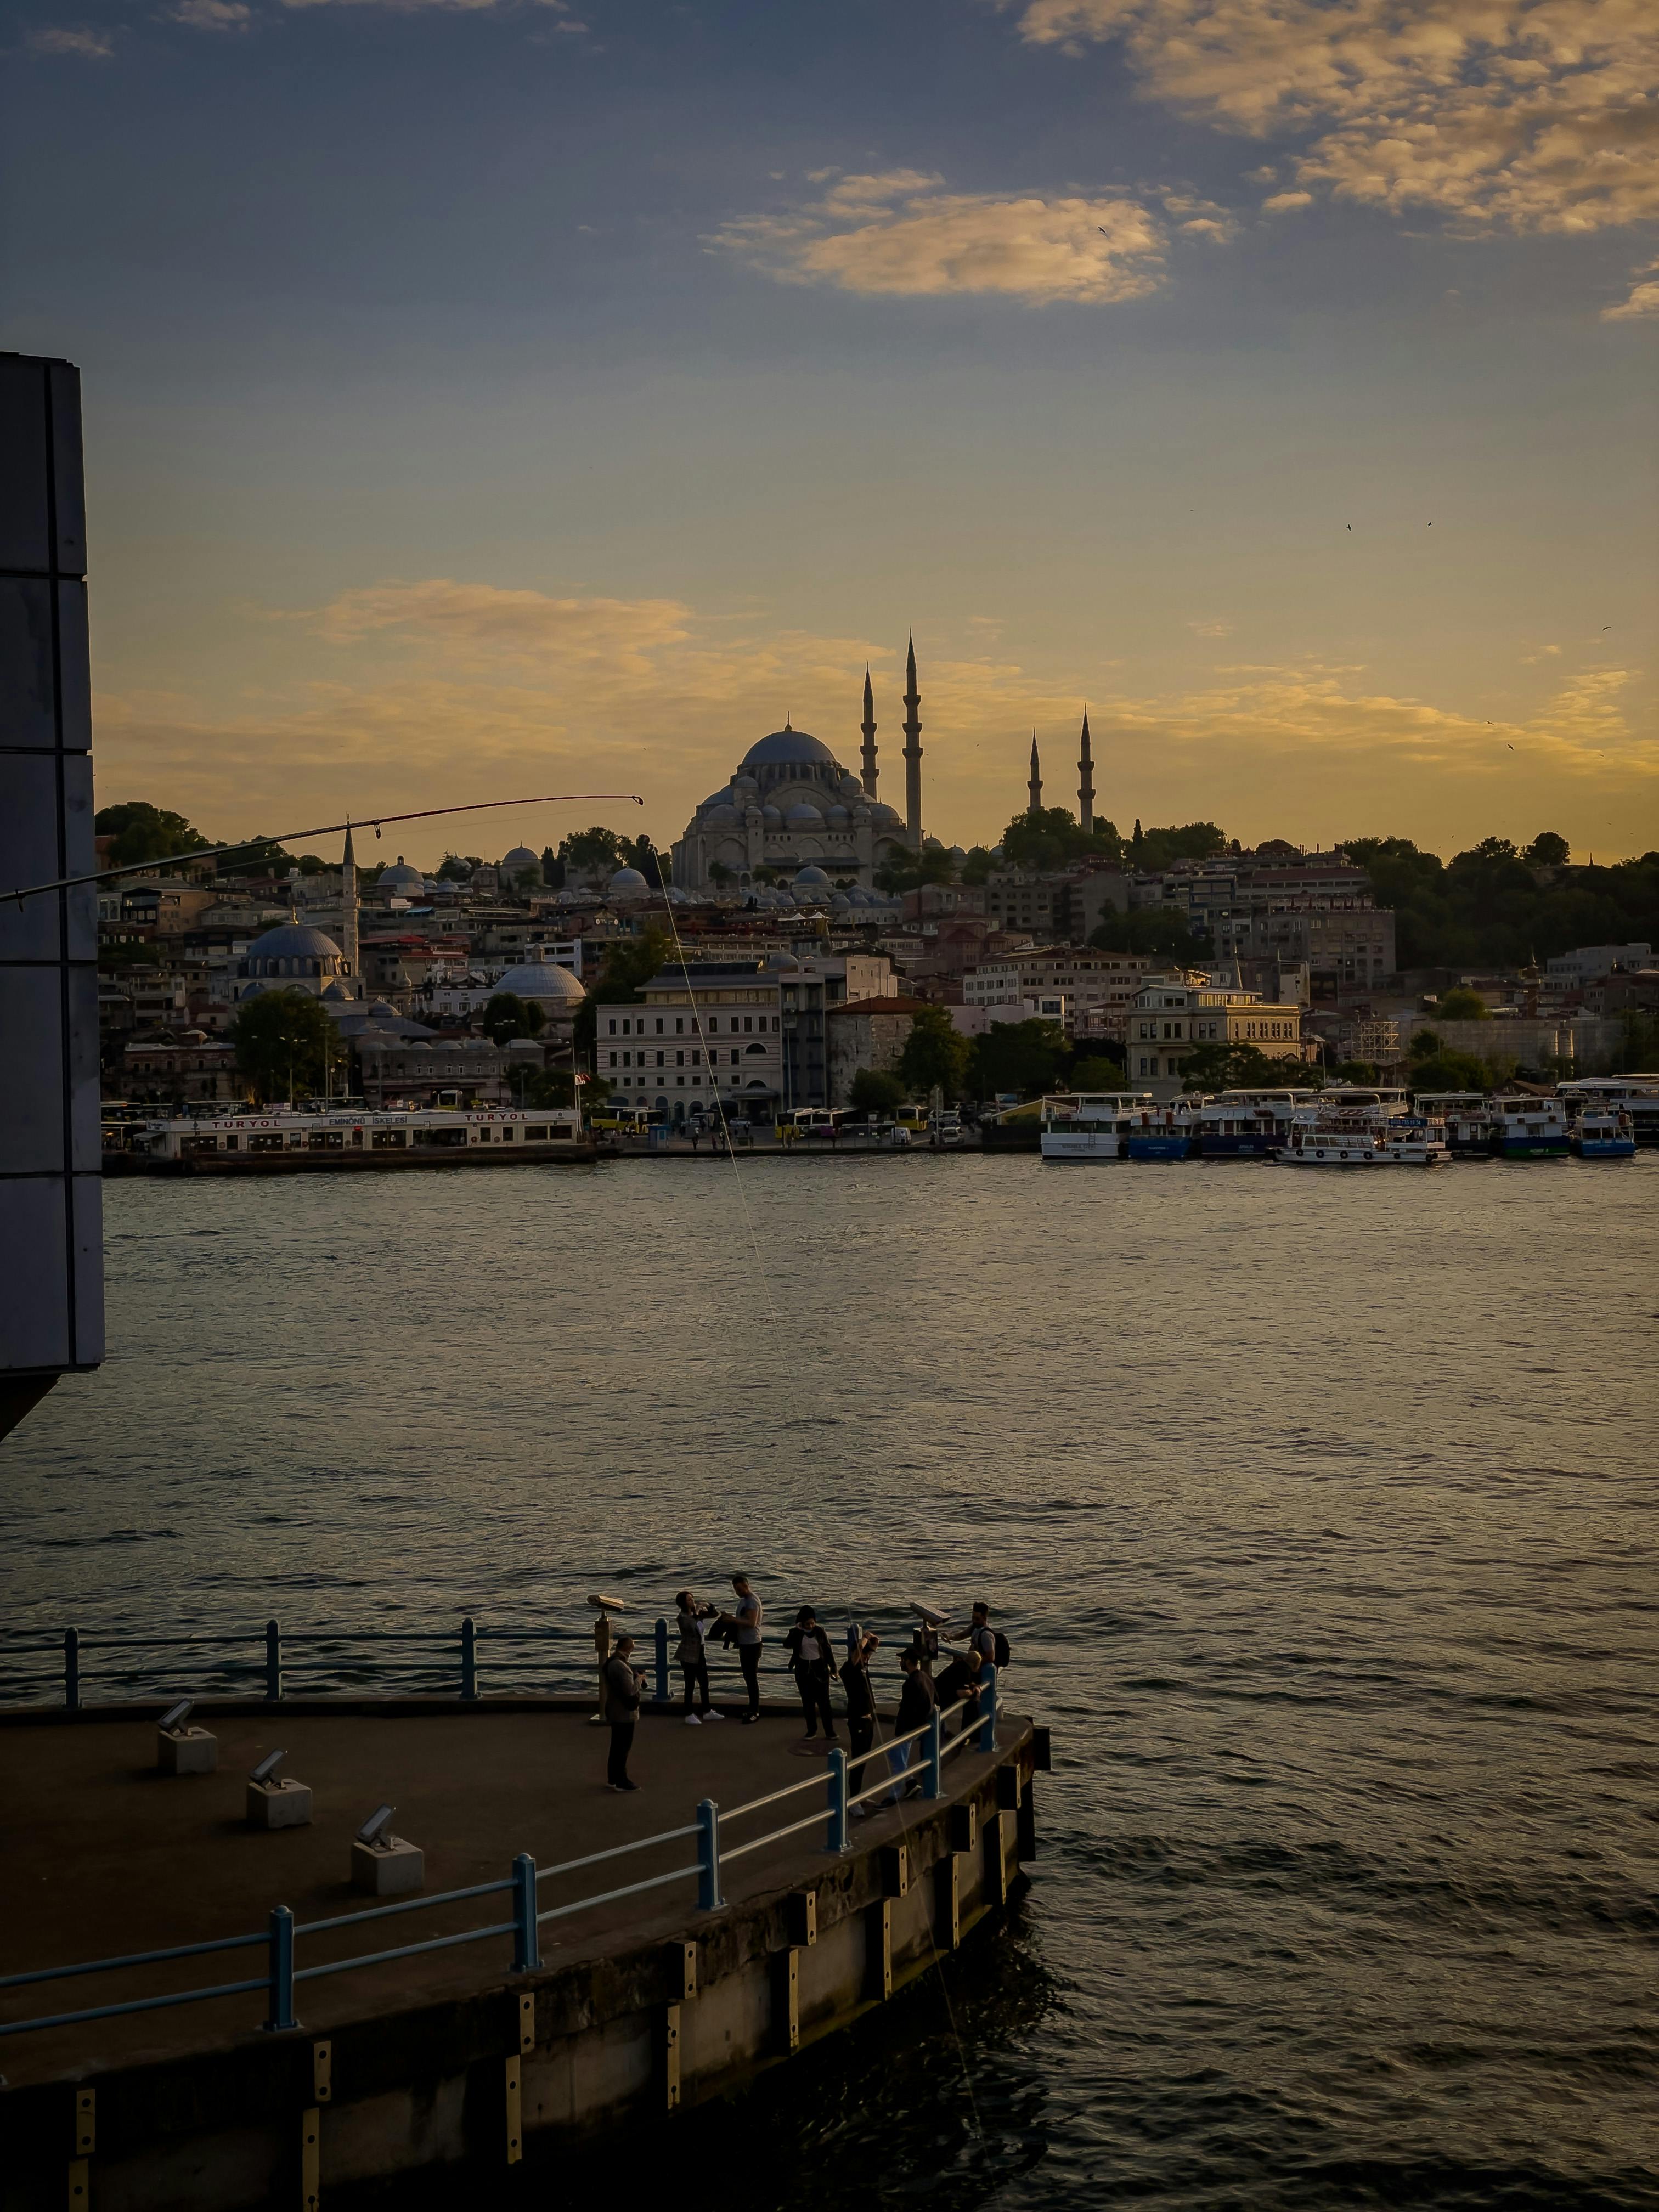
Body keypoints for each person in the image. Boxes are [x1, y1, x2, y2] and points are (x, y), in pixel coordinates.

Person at [782, 1605, 838, 1746]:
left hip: (820, 1669)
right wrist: (797, 1631)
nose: (811, 1626)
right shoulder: (796, 1632)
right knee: (808, 1703)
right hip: (803, 1669)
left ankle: (830, 1731)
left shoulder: (820, 1631)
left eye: (813, 1623)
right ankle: (811, 1730)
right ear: (802, 1623)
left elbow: (828, 1650)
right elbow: (787, 1645)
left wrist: (834, 1669)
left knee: (825, 1702)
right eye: (808, 1624)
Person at [839, 1631, 880, 1813]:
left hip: (868, 1720)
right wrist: (863, 1639)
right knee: (857, 1760)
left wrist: (873, 1642)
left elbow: (870, 1649)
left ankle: (859, 1794)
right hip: (858, 1722)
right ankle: (853, 1800)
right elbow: (856, 1657)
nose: (867, 1659)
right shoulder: (849, 1669)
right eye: (865, 1655)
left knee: (864, 1760)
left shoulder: (863, 1667)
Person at [889, 1647, 937, 1798]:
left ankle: (895, 1796)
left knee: (898, 1760)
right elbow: (935, 1698)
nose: (900, 1662)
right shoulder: (926, 1677)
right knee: (894, 1754)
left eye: (902, 1660)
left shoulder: (910, 1684)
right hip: (924, 1724)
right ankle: (910, 1782)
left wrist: (900, 1731)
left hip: (910, 1728)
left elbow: (907, 1711)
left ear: (908, 1662)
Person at [674, 1589, 723, 1725]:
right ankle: (688, 1714)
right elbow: (690, 1627)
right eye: (689, 1600)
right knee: (690, 1684)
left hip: (700, 1652)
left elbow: (715, 1614)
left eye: (693, 1598)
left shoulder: (698, 1614)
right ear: (683, 1603)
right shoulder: (682, 1617)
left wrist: (708, 1605)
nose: (693, 1601)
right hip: (688, 1654)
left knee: (704, 1682)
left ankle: (707, 1711)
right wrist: (696, 1612)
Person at [602, 1634, 644, 1791]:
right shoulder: (620, 1666)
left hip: (614, 1709)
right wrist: (639, 1679)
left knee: (616, 1746)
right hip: (624, 1713)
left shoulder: (611, 1662)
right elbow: (630, 1690)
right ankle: (622, 1781)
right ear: (628, 1648)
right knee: (623, 1747)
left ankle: (613, 1778)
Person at [729, 1575, 764, 1724]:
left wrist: (732, 1620)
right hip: (745, 1643)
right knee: (748, 1677)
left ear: (746, 1586)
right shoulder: (744, 1601)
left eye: (739, 1589)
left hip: (752, 1644)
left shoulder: (751, 1601)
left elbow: (751, 1622)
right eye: (735, 1590)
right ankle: (751, 1708)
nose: (737, 1592)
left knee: (751, 1678)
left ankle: (755, 1710)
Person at [933, 1647, 983, 1737]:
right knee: (939, 1714)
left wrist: (973, 1686)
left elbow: (963, 1683)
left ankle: (942, 1733)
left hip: (936, 1692)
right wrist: (973, 1693)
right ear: (976, 1665)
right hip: (941, 1697)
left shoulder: (959, 1665)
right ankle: (938, 1736)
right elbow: (961, 1693)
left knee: (940, 1716)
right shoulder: (965, 1671)